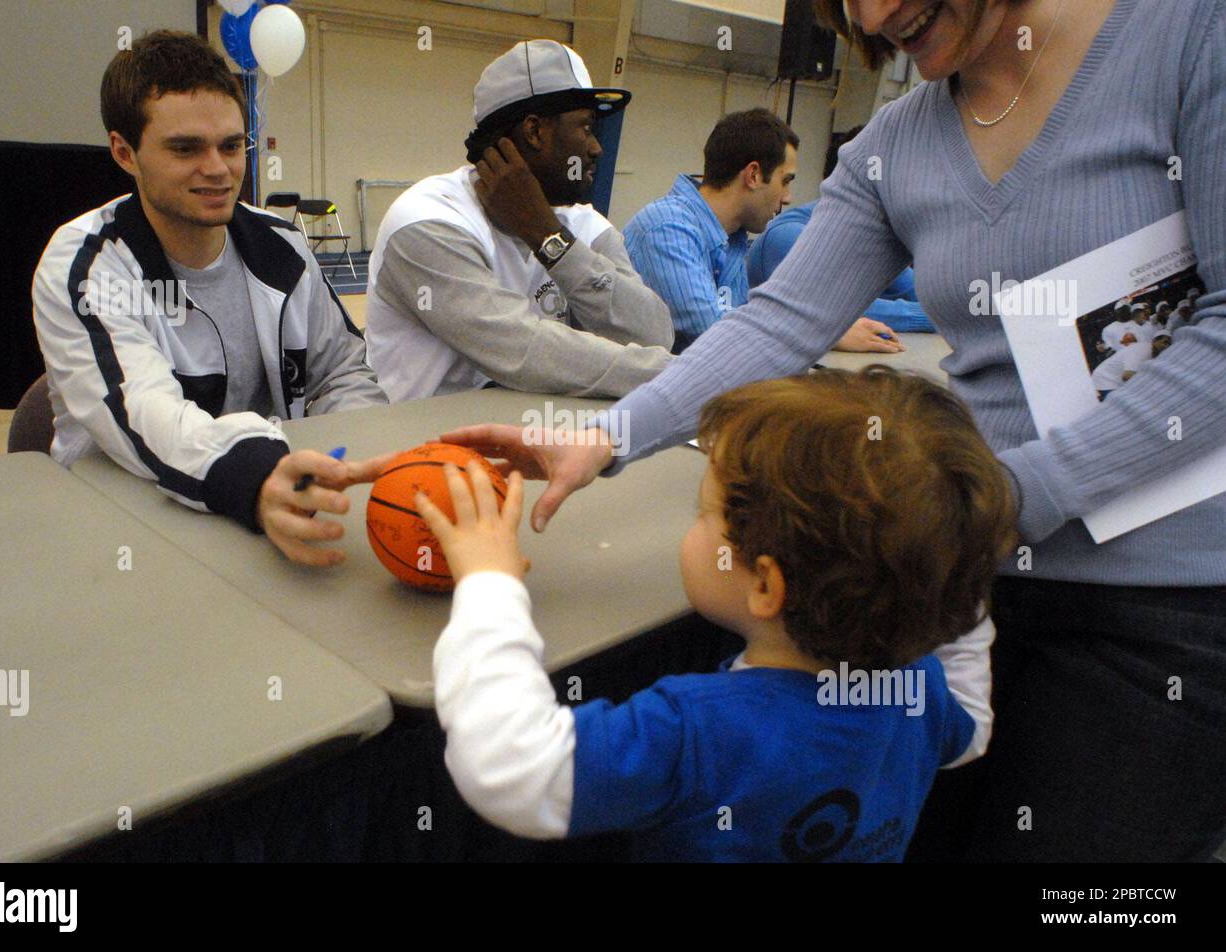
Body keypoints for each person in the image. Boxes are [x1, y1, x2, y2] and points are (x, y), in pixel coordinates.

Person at [440, 0, 1226, 862]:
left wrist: (997, 500)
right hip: (951, 569)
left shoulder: (1190, 34)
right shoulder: (899, 141)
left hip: (1158, 605)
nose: (876, 13)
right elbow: (779, 322)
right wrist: (606, 438)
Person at [418, 368, 1016, 861]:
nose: (693, 526)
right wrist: (940, 573)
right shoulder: (919, 694)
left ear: (764, 583)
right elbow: (971, 728)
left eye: (702, 513)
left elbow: (512, 769)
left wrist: (488, 580)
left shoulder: (700, 731)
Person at [32, 31, 389, 566]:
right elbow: (147, 413)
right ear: (124, 152)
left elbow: (343, 372)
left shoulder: (281, 245)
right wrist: (259, 474)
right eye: (185, 148)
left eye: (230, 145)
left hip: (259, 509)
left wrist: (344, 469)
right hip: (124, 526)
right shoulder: (84, 266)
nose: (219, 169)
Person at [363, 40, 673, 403]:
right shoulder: (426, 221)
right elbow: (524, 352)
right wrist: (685, 377)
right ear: (534, 131)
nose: (596, 148)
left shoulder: (582, 224)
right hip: (418, 447)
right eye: (586, 128)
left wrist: (549, 237)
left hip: (533, 438)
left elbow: (654, 335)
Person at [626, 110, 900, 355]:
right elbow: (712, 331)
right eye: (786, 181)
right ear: (754, 175)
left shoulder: (732, 237)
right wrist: (825, 333)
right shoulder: (666, 228)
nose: (789, 197)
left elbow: (742, 321)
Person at [747, 125, 937, 336]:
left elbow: (922, 292)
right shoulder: (788, 236)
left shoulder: (872, 239)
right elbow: (831, 309)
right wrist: (936, 316)